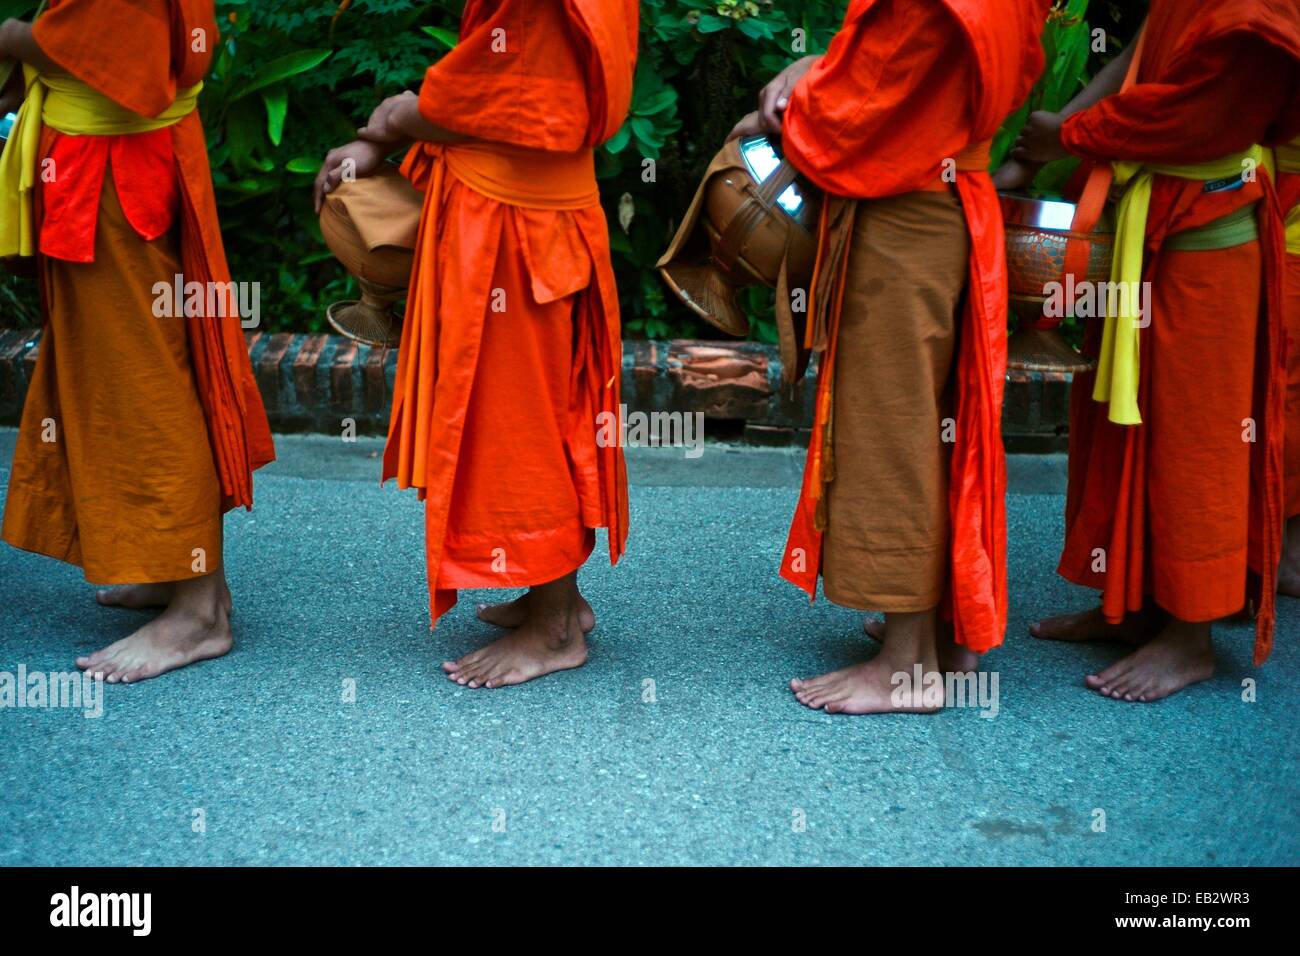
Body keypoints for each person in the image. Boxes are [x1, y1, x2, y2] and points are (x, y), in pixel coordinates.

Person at [727, 0, 1050, 714]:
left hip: (905, 215)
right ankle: (940, 629)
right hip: (949, 202)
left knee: (891, 430)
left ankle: (908, 668)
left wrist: (772, 120)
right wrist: (806, 69)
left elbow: (858, 110)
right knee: (937, 423)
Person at [313, 0, 636, 689]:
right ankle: (559, 598)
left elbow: (496, 97)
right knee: (540, 413)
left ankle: (552, 627)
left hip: (517, 226)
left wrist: (394, 120)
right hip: (532, 209)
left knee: (520, 426)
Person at [1010, 0, 1300, 700]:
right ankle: (1133, 602)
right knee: (1121, 423)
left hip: (1209, 230)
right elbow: (1139, 52)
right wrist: (1061, 129)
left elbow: (1201, 118)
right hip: (1150, 216)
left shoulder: (1261, 11)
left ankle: (1190, 634)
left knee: (1196, 439)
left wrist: (1070, 135)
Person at [0, 0, 274, 683]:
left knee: (146, 380)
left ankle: (200, 607)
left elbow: (121, 57)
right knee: (114, 373)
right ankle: (167, 564)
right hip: (113, 163)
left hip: (114, 172)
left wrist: (10, 39)